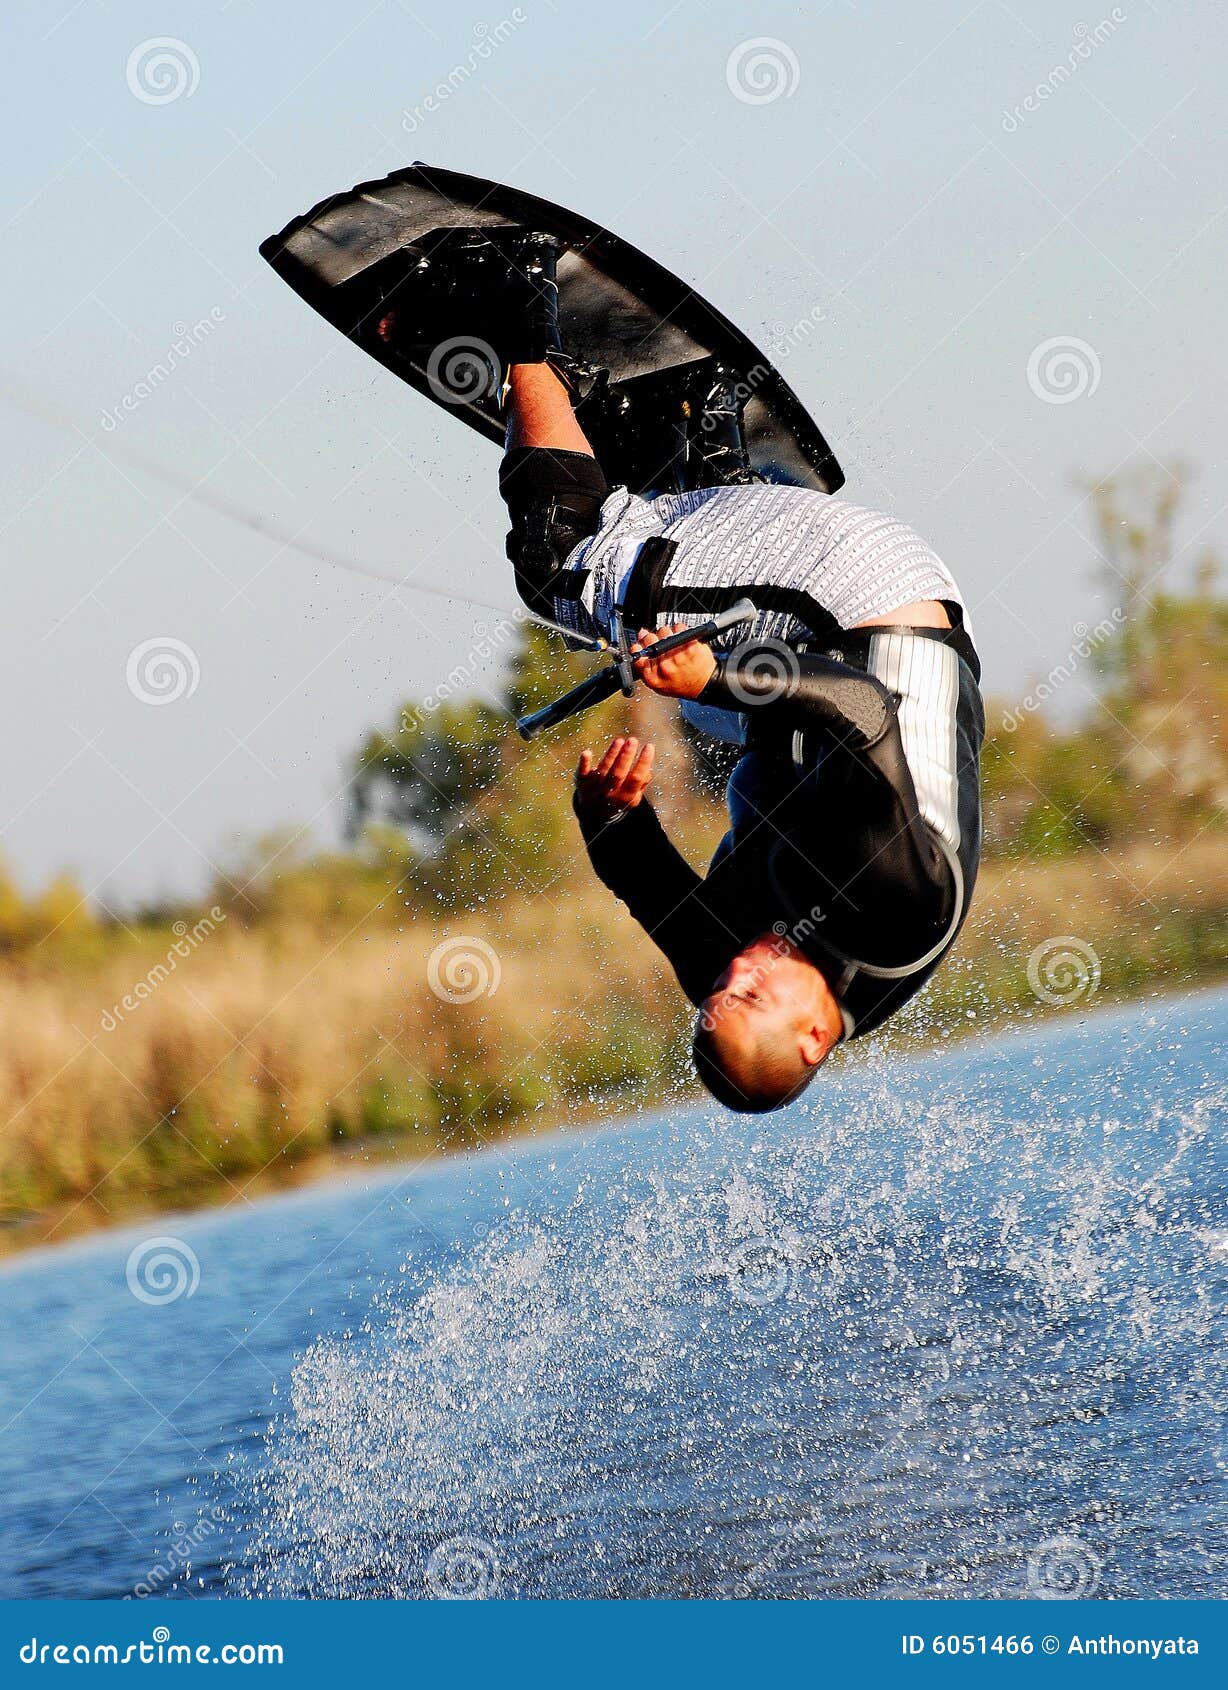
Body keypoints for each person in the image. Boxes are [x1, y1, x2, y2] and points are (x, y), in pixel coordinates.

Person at [382, 236, 984, 1112]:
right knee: (564, 570)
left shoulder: (724, 971)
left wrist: (609, 819)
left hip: (808, 646)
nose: (733, 971)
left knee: (688, 694)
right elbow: (862, 709)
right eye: (749, 996)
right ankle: (517, 313)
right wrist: (722, 677)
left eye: (716, 997)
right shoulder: (893, 913)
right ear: (817, 1037)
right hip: (855, 601)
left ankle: (703, 459)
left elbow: (640, 878)